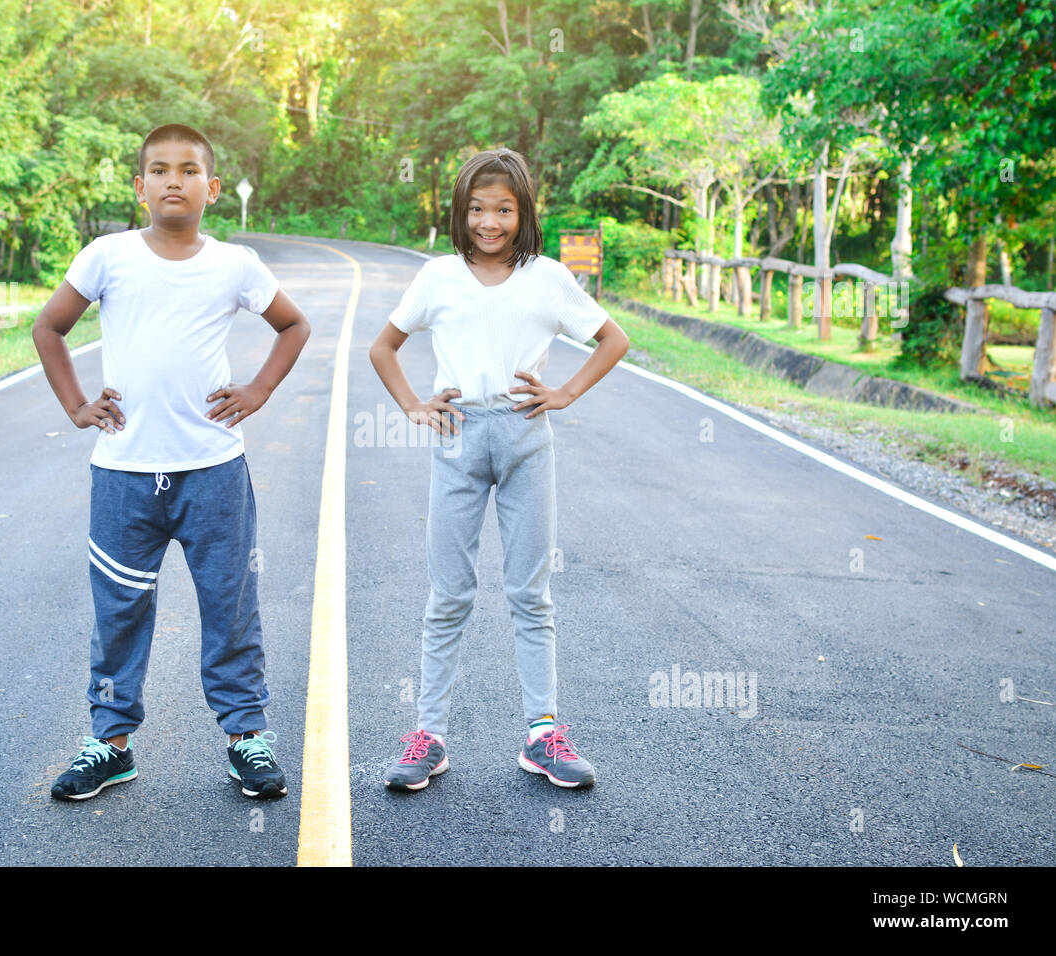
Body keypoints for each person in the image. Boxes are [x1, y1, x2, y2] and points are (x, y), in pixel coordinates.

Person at [32, 123, 310, 800]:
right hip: (124, 473)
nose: (174, 180)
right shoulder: (108, 256)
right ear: (140, 186)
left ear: (212, 188)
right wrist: (75, 405)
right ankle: (112, 741)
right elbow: (50, 327)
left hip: (213, 469)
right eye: (159, 169)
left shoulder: (235, 264)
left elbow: (293, 325)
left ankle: (247, 737)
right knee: (119, 610)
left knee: (229, 604)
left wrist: (259, 389)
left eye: (189, 170)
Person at [368, 147, 630, 791]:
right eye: (477, 208)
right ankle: (428, 736)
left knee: (529, 593)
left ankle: (543, 735)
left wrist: (564, 393)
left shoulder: (546, 277)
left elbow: (613, 339)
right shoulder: (438, 276)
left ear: (523, 212)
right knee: (450, 593)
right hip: (458, 437)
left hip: (524, 437)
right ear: (461, 212)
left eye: (504, 209)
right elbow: (384, 346)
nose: (489, 221)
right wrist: (413, 403)